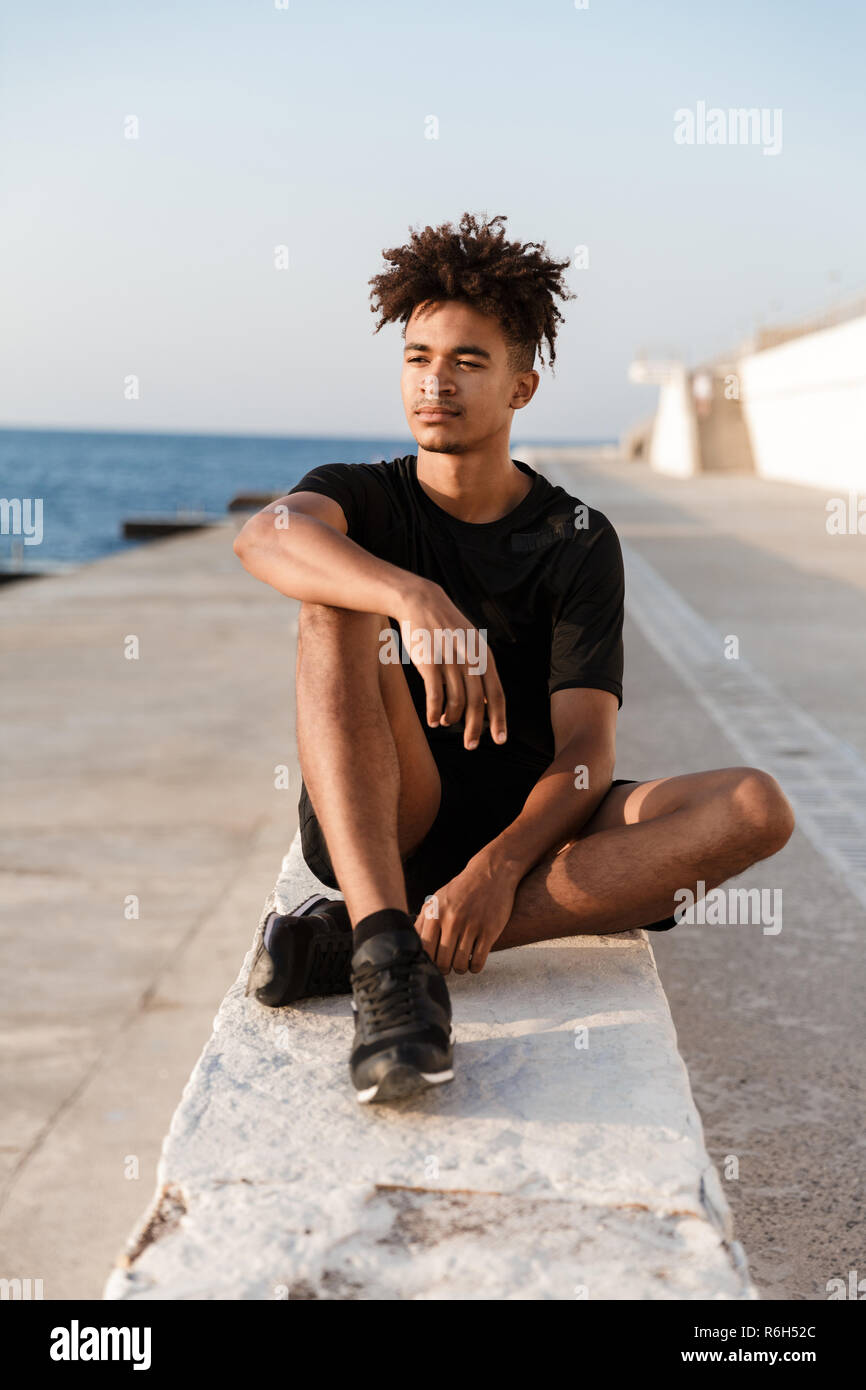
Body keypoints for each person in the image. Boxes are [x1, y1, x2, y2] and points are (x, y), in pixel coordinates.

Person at [234, 212, 795, 1105]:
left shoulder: (576, 538)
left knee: (755, 807)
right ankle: (390, 958)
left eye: (467, 361)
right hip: (394, 813)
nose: (435, 383)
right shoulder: (365, 498)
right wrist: (411, 597)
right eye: (418, 358)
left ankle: (380, 939)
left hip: (538, 825)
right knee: (331, 604)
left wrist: (497, 868)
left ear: (522, 387)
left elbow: (585, 755)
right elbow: (265, 535)